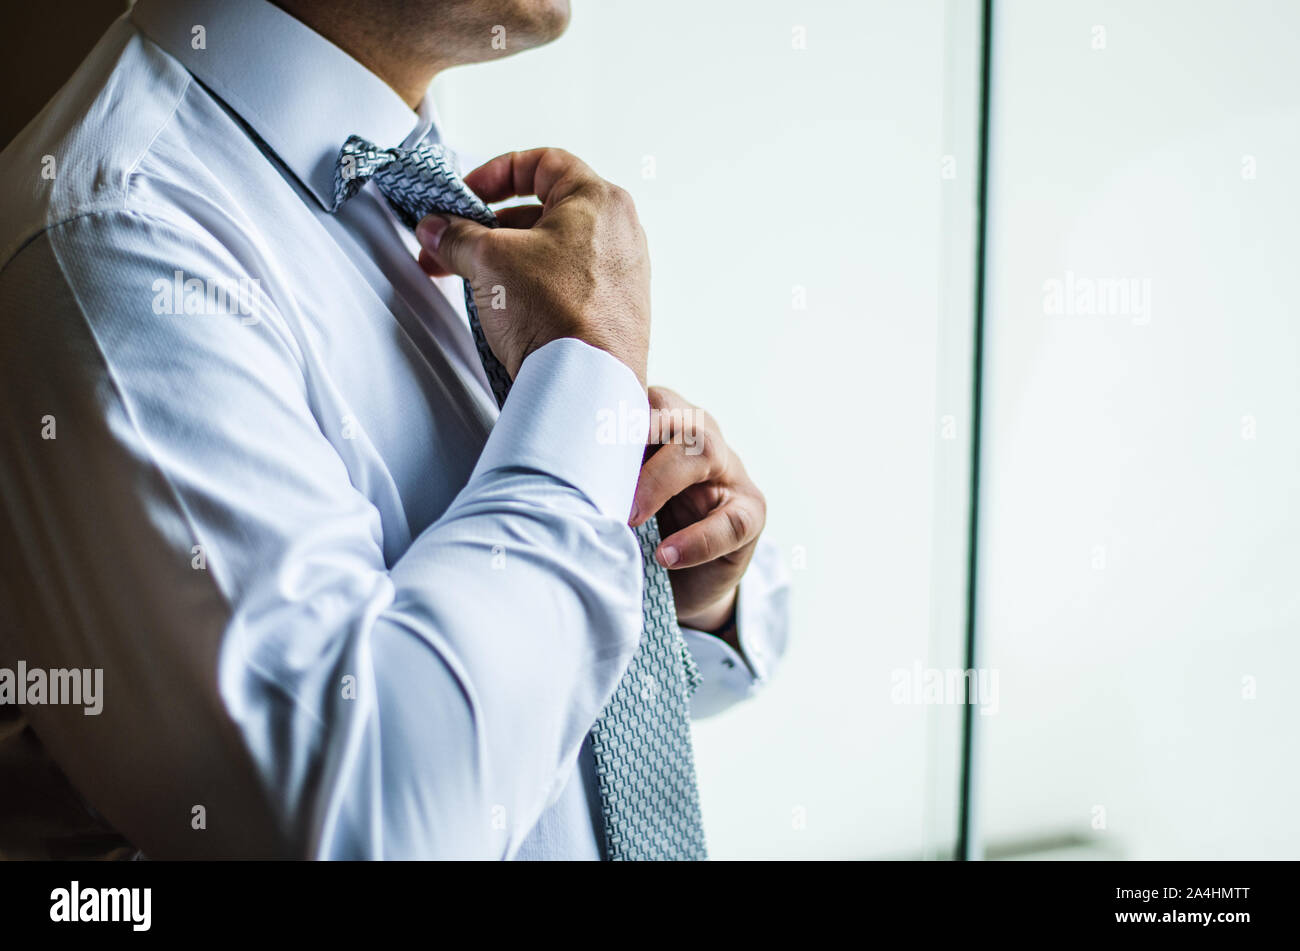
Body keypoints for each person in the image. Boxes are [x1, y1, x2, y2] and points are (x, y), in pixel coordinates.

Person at [0, 0, 789, 860]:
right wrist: (587, 373)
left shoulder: (411, 181)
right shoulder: (117, 240)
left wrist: (660, 584)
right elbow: (366, 818)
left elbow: (496, 680)